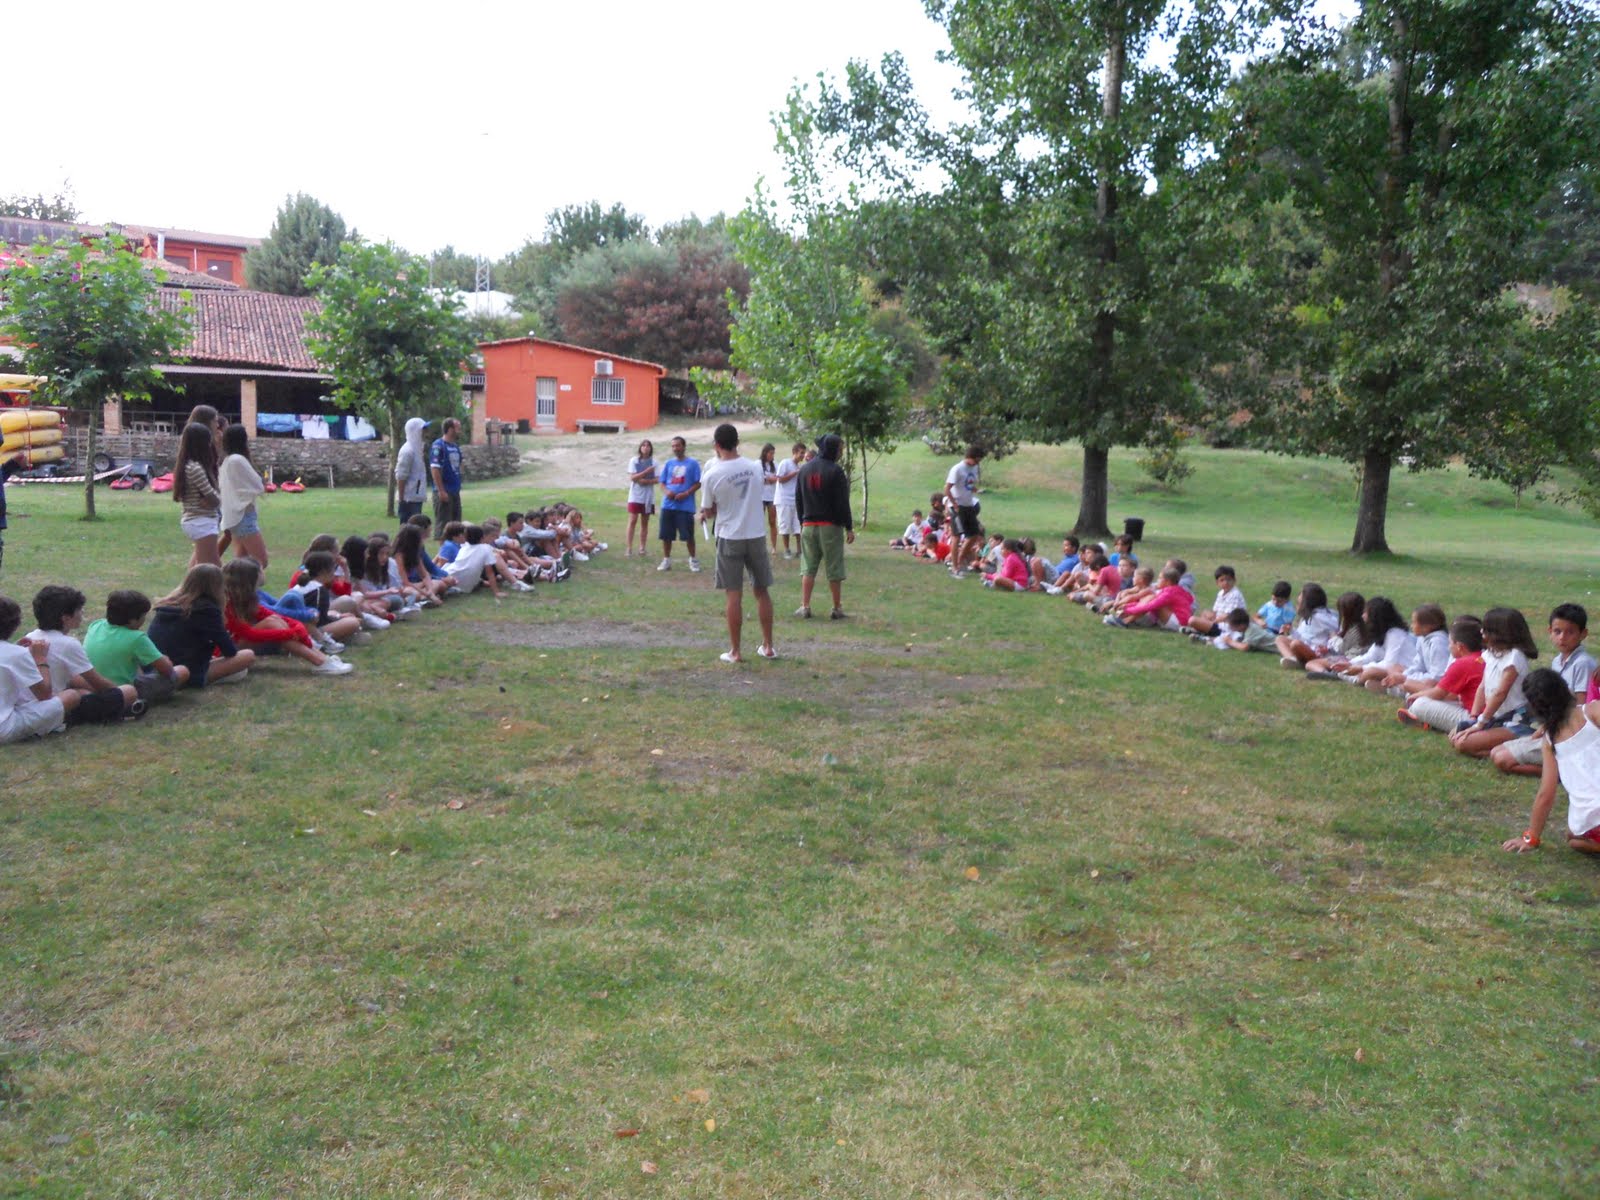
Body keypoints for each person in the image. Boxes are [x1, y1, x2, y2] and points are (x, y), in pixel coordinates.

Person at [1501, 667, 1600, 857]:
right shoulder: (1593, 710)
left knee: (1574, 837)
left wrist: (1531, 837)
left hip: (1591, 823)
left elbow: (1546, 793)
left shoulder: (1549, 741)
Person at [698, 423, 776, 663]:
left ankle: (735, 651)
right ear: (737, 442)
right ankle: (768, 646)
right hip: (755, 534)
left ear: (717, 445)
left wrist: (702, 515)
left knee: (734, 595)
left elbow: (709, 510)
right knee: (761, 590)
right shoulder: (755, 467)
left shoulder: (712, 474)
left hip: (730, 536)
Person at [1491, 604, 1596, 777]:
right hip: (1554, 726)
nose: (1562, 637)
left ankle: (1565, 773)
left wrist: (1550, 731)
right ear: (1549, 631)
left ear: (1583, 634)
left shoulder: (1583, 664)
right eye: (1557, 631)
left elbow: (1581, 706)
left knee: (1502, 760)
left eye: (1570, 632)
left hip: (1571, 734)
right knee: (1496, 751)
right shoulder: (1557, 661)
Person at [23, 585, 141, 723]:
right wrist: (119, 694)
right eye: (79, 609)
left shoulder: (30, 636)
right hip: (49, 706)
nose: (82, 612)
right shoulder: (68, 644)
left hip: (31, 702)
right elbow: (99, 683)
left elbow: (77, 679)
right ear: (66, 618)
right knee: (129, 691)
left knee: (83, 692)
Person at [222, 558, 352, 675]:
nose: (263, 572)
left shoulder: (250, 600)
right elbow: (250, 635)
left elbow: (276, 615)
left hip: (244, 643)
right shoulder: (227, 606)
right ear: (249, 581)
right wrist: (290, 634)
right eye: (259, 572)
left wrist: (297, 629)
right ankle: (320, 661)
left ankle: (322, 658)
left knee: (275, 620)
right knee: (272, 622)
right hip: (228, 649)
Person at [1447, 606, 1538, 758]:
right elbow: (1483, 686)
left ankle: (1512, 748)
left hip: (1516, 718)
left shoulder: (1514, 657)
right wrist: (1474, 717)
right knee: (1456, 734)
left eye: (1486, 629)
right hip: (1496, 717)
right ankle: (1499, 746)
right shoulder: (1490, 653)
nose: (1482, 632)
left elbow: (1500, 693)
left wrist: (1481, 723)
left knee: (1464, 743)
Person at [148, 564, 256, 686]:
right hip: (186, 671)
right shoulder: (207, 610)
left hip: (154, 667)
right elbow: (229, 651)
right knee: (248, 656)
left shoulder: (168, 604)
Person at [1, 593, 82, 742]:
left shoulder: (14, 652)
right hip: (4, 728)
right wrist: (40, 659)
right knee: (71, 695)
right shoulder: (16, 654)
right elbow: (44, 694)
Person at [83, 589, 191, 701]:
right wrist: (165, 659)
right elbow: (167, 670)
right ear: (132, 620)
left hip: (92, 684)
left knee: (131, 661)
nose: (144, 619)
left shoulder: (96, 625)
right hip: (124, 691)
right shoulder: (137, 638)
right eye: (143, 616)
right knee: (182, 671)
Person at [794, 433, 855, 620]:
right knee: (834, 568)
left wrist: (802, 521)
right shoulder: (836, 471)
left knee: (808, 567)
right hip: (830, 526)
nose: (840, 453)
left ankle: (805, 606)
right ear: (832, 449)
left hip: (808, 525)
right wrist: (849, 527)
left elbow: (798, 499)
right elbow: (842, 502)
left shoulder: (804, 470)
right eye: (839, 449)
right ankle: (836, 608)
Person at [1397, 617, 1484, 732]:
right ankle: (1428, 721)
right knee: (1439, 700)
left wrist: (1416, 696)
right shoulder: (1483, 658)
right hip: (1484, 713)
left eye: (1450, 643)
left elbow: (1437, 693)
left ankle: (1428, 721)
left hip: (1474, 718)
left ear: (1460, 646)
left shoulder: (1462, 663)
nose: (1449, 647)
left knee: (1420, 704)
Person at [173, 420, 222, 567]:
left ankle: (186, 590)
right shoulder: (195, 468)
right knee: (212, 569)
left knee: (197, 569)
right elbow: (213, 498)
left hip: (200, 521)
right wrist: (217, 498)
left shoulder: (189, 465)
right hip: (201, 521)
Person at [219, 423, 269, 568]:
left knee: (242, 562)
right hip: (243, 516)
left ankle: (234, 589)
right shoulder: (237, 460)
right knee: (260, 562)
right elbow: (257, 486)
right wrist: (261, 482)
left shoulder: (227, 460)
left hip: (235, 517)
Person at [656, 436, 702, 572]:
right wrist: (667, 492)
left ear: (683, 446)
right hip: (668, 505)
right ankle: (666, 560)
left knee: (688, 535)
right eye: (673, 446)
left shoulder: (692, 464)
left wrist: (686, 493)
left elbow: (698, 482)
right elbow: (662, 482)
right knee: (666, 535)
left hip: (685, 507)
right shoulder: (669, 463)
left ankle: (693, 560)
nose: (675, 448)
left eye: (678, 445)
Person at [1274, 583, 1338, 669]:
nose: (1297, 606)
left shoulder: (1320, 617)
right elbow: (1303, 636)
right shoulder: (1308, 617)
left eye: (1299, 603)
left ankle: (1299, 661)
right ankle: (1292, 659)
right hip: (1308, 646)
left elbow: (1333, 632)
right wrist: (1291, 630)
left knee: (1295, 644)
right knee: (1279, 639)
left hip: (1319, 652)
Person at [944, 444, 985, 577]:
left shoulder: (974, 468)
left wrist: (975, 490)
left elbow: (969, 484)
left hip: (969, 505)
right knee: (956, 535)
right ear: (970, 457)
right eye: (977, 460)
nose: (978, 463)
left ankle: (960, 558)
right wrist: (954, 504)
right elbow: (947, 489)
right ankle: (955, 567)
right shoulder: (957, 469)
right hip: (957, 506)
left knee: (974, 535)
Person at [1185, 566, 1247, 637]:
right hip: (1219, 622)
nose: (1226, 582)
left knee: (1192, 620)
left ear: (1234, 580)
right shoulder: (1220, 593)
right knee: (1205, 613)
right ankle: (1200, 631)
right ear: (1217, 583)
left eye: (1229, 580)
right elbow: (1215, 612)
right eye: (1222, 580)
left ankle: (1201, 631)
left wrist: (1212, 622)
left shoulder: (1235, 594)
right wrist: (1209, 616)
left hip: (1228, 627)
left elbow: (1227, 616)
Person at [429, 417, 464, 529]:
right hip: (444, 491)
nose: (460, 431)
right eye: (458, 428)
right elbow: (435, 469)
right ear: (450, 429)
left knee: (456, 526)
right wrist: (441, 491)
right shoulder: (438, 446)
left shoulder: (455, 446)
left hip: (455, 491)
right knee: (444, 527)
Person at [625, 438, 657, 557]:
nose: (645, 447)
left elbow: (658, 479)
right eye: (643, 445)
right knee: (633, 520)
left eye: (648, 445)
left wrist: (646, 481)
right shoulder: (634, 460)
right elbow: (632, 477)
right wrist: (646, 472)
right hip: (635, 495)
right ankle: (629, 547)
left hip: (648, 496)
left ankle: (642, 547)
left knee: (645, 522)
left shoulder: (654, 462)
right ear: (640, 448)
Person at [395, 417, 430, 522]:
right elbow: (401, 476)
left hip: (416, 496)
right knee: (409, 529)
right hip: (409, 499)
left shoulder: (418, 449)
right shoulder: (407, 451)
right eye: (424, 430)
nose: (426, 432)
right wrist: (402, 500)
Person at [774, 442, 805, 559]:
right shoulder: (785, 463)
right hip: (784, 499)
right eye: (801, 453)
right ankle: (787, 550)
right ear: (795, 452)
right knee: (785, 525)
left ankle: (799, 550)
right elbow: (780, 479)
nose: (803, 455)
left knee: (798, 526)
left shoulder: (799, 467)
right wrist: (795, 473)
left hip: (796, 500)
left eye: (804, 453)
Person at [759, 443, 779, 552]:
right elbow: (760, 479)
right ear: (765, 453)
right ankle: (761, 546)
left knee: (772, 521)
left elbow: (778, 478)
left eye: (773, 453)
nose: (772, 455)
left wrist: (769, 479)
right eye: (771, 453)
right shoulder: (757, 464)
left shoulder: (775, 464)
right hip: (760, 497)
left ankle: (774, 547)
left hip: (772, 496)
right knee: (759, 522)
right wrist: (769, 479)